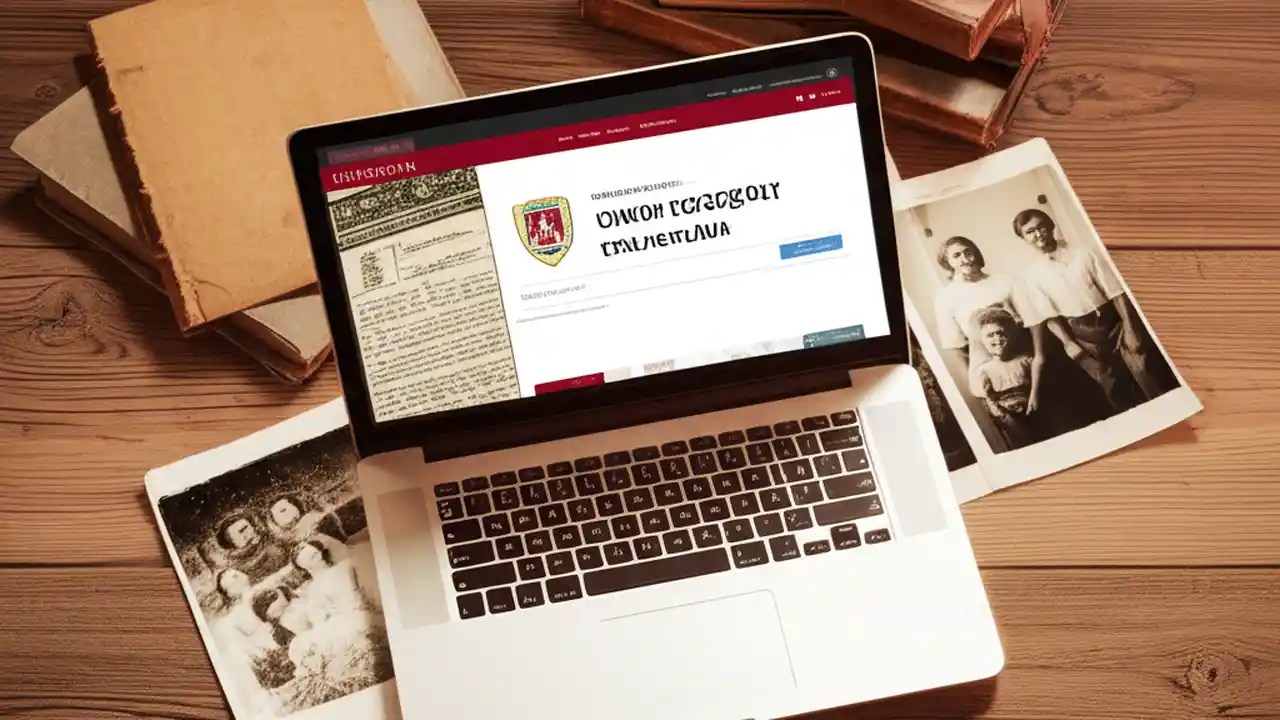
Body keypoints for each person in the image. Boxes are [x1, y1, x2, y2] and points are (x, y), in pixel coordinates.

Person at [1010, 208, 1176, 412]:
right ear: (1024, 238)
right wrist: (1069, 343)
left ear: (1051, 226)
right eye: (1030, 232)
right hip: (1084, 337)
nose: (1038, 235)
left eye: (1041, 227)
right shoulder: (1032, 276)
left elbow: (1117, 293)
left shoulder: (1084, 252)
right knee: (1115, 387)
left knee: (1147, 373)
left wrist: (1130, 328)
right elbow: (1049, 316)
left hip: (1117, 323)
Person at [971, 308, 1044, 449]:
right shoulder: (984, 371)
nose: (997, 339)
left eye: (1000, 333)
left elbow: (1040, 386)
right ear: (982, 340)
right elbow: (990, 401)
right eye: (990, 335)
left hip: (1036, 411)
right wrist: (1006, 419)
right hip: (1011, 420)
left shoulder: (1026, 361)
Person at [215, 513, 291, 584]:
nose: (246, 534)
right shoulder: (238, 571)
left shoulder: (275, 540)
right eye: (239, 533)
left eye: (245, 528)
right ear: (232, 543)